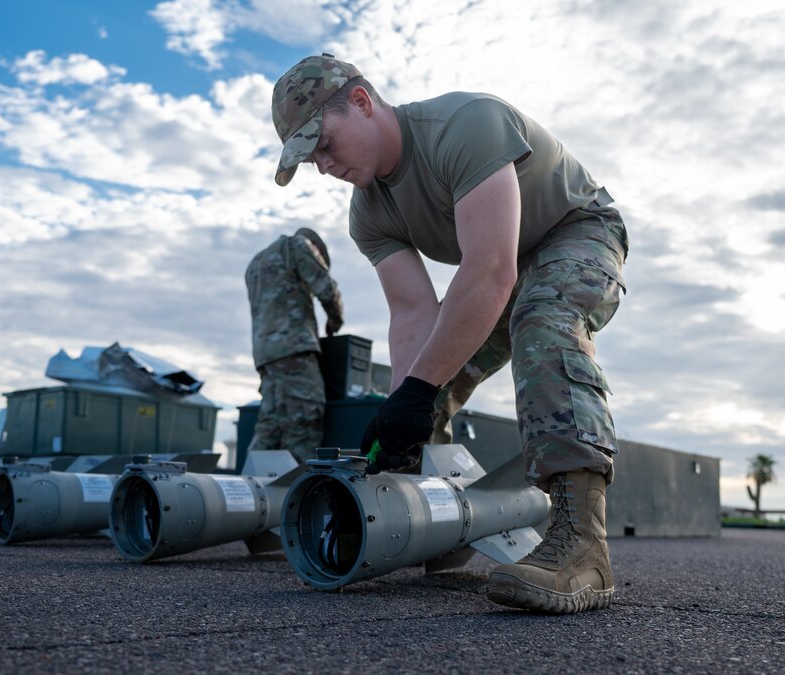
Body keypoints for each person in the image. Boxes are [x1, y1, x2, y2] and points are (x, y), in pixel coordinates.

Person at [270, 55, 629, 614]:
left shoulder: (466, 125)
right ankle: (431, 526)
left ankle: (583, 547)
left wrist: (417, 388)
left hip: (574, 232)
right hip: (503, 266)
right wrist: (403, 408)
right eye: (310, 156)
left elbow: (489, 270)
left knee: (543, 321)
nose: (323, 165)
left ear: (362, 102)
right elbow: (414, 315)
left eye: (324, 143)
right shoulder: (368, 214)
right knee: (421, 394)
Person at [245, 227, 345, 463]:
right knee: (304, 421)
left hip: (266, 357)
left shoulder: (255, 263)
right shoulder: (297, 245)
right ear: (316, 248)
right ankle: (295, 482)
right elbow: (325, 287)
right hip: (294, 349)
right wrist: (335, 319)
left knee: (270, 426)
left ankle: (252, 481)